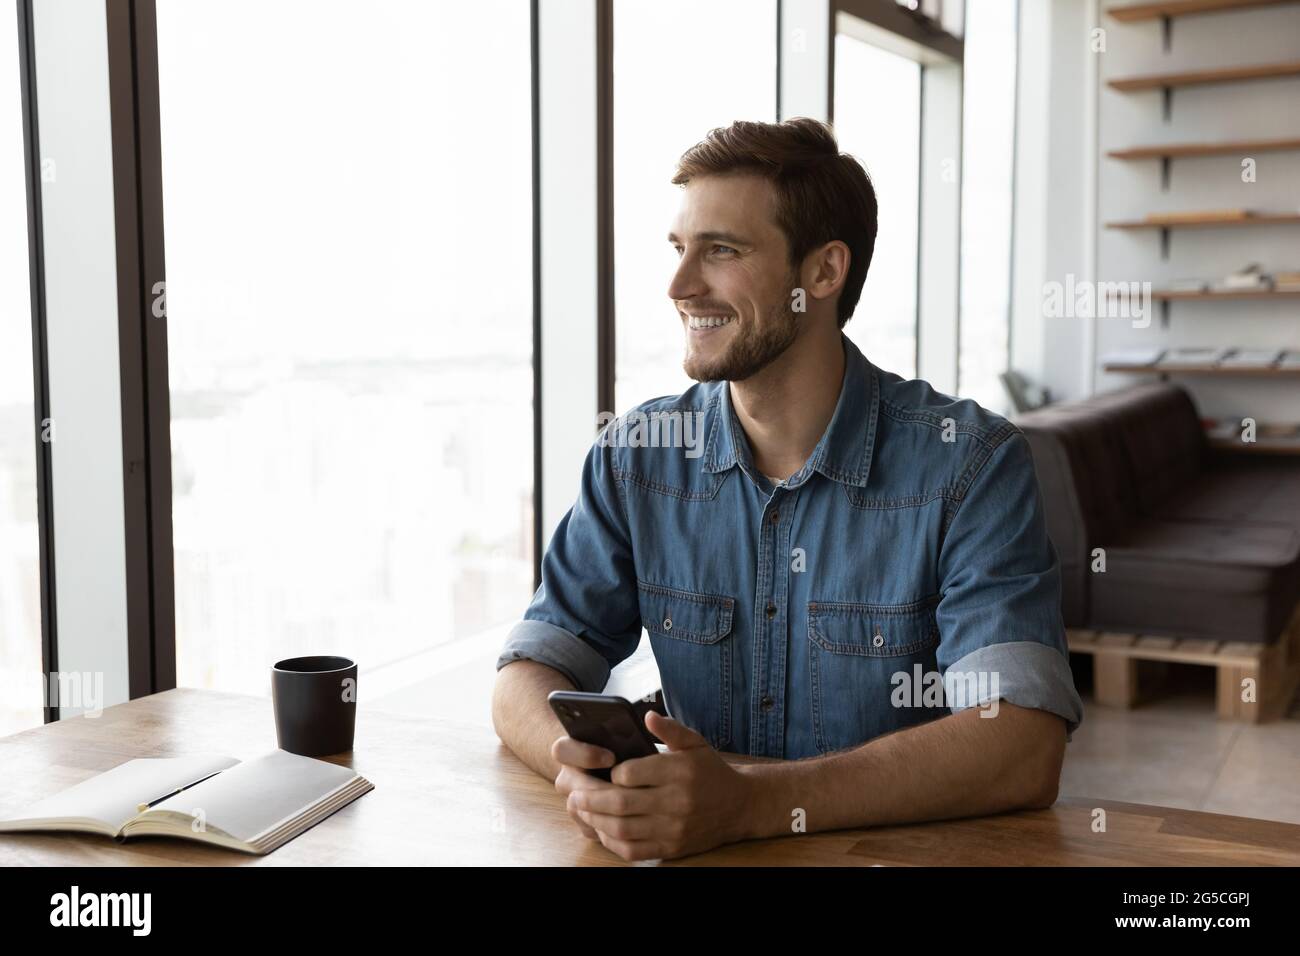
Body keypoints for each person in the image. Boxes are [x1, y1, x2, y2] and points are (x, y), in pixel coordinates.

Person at [492, 117, 1083, 862]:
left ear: (822, 274)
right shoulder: (634, 457)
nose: (679, 287)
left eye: (721, 250)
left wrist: (751, 805)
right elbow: (524, 674)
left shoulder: (970, 465)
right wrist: (581, 769)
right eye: (680, 249)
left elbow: (1023, 744)